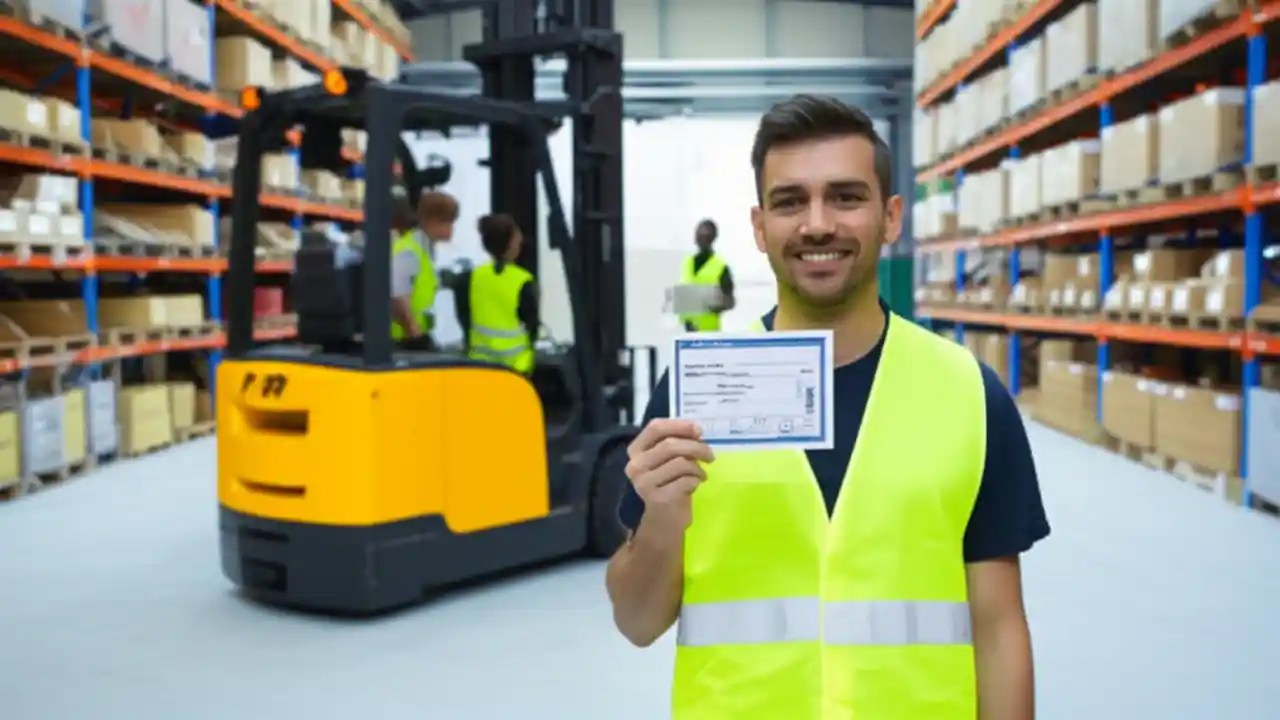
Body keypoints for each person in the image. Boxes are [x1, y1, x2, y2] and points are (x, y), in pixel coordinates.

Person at [605, 94, 1049, 720]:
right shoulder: (693, 397)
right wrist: (661, 520)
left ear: (891, 217)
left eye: (845, 197)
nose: (817, 224)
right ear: (760, 226)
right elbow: (636, 621)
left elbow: (999, 629)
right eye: (790, 201)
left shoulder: (969, 394)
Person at [451, 213, 539, 374]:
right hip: (516, 368)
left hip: (480, 366)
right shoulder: (523, 281)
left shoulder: (470, 278)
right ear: (511, 243)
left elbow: (464, 318)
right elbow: (532, 326)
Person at [390, 189, 458, 350]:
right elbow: (398, 296)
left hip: (413, 337)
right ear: (432, 221)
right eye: (447, 222)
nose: (452, 229)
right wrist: (415, 334)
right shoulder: (409, 251)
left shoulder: (422, 249)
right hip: (402, 342)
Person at [677, 219, 735, 332]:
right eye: (699, 235)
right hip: (685, 332)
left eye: (706, 236)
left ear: (713, 238)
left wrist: (712, 305)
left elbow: (730, 302)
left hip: (708, 334)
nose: (702, 239)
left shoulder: (721, 267)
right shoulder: (687, 262)